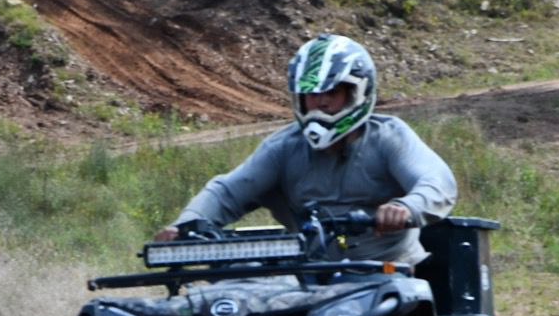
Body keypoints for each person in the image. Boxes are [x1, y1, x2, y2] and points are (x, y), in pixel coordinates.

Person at [154, 33, 457, 265]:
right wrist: (184, 228)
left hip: (390, 272)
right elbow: (227, 192)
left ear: (357, 92)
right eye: (310, 95)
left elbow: (436, 182)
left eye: (331, 92)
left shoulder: (389, 137)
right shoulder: (283, 147)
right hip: (309, 275)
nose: (320, 102)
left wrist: (407, 207)